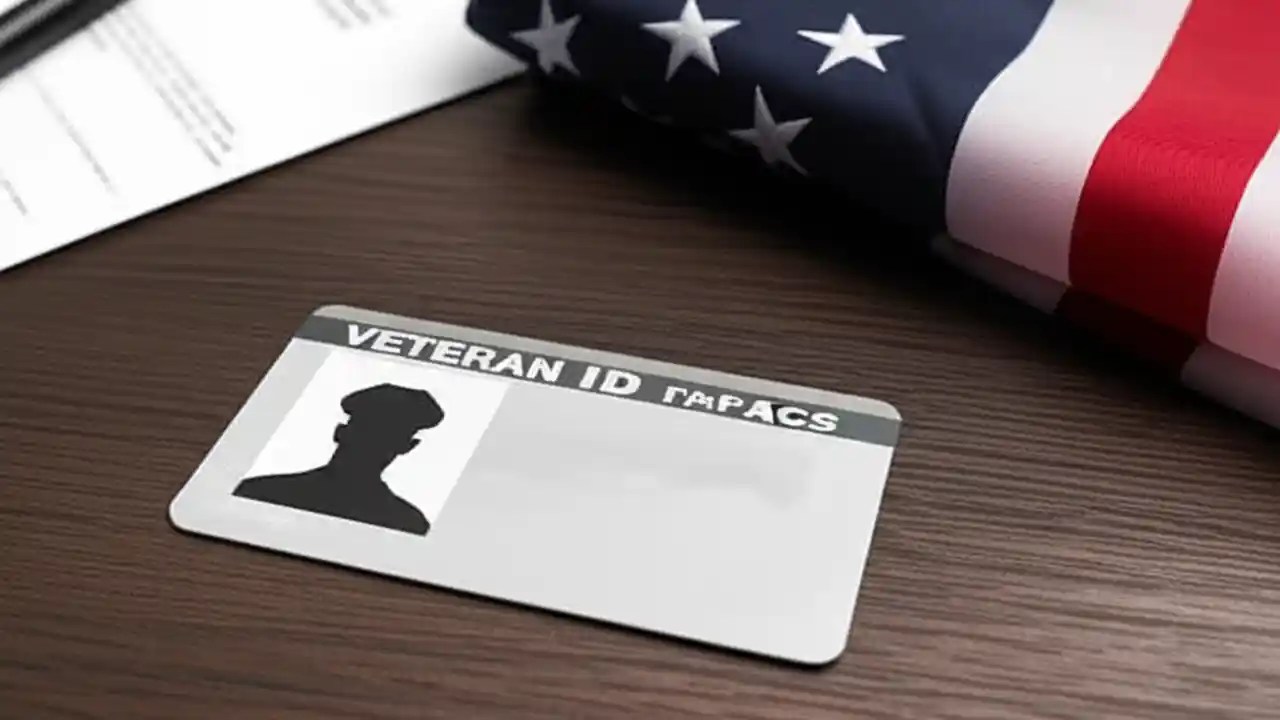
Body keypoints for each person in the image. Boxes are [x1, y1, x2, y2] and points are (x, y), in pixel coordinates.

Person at [234, 383, 444, 535]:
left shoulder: (408, 523)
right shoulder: (260, 492)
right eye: (367, 430)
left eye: (384, 436)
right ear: (340, 432)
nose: (370, 445)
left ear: (406, 447)